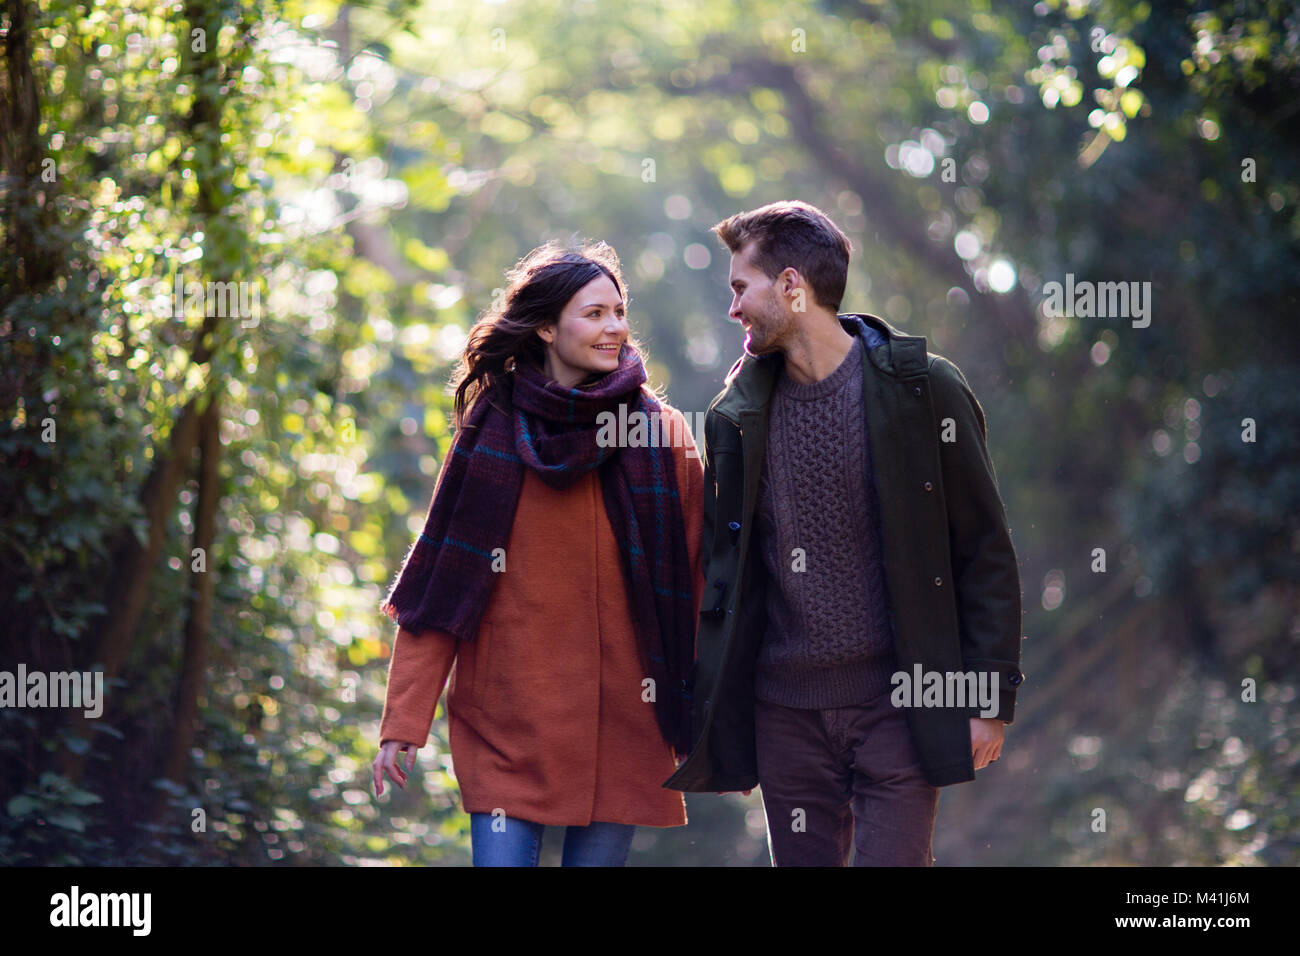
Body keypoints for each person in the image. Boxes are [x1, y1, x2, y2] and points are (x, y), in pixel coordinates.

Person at [664, 200, 1025, 866]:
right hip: (786, 720)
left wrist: (987, 697)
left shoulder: (926, 390)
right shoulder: (734, 419)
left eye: (741, 287)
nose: (733, 308)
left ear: (793, 286)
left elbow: (984, 551)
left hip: (899, 709)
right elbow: (725, 579)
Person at [372, 239, 705, 866]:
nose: (615, 328)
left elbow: (699, 579)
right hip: (509, 726)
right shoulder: (489, 433)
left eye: (619, 311)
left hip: (625, 728)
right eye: (594, 313)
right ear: (547, 327)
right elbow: (441, 586)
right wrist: (403, 723)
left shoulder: (661, 434)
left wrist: (712, 713)